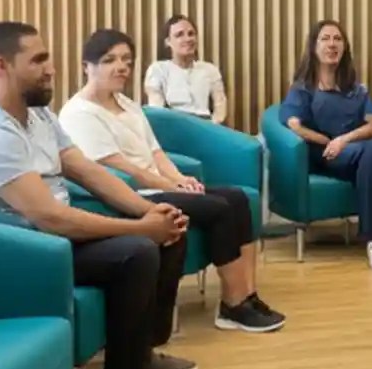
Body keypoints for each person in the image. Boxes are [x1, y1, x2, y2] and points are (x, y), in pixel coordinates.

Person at [0, 22, 193, 369]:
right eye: (38, 60)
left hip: (49, 236)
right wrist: (141, 228)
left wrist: (152, 211)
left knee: (171, 231)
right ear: (2, 65)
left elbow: (88, 172)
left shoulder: (37, 115)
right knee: (139, 250)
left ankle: (142, 354)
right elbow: (51, 218)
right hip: (23, 251)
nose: (51, 68)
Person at [59, 29, 286, 333]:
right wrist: (170, 187)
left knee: (237, 197)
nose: (121, 66)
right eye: (110, 60)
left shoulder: (126, 103)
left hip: (157, 185)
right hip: (130, 195)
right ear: (88, 66)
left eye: (126, 59)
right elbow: (122, 167)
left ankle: (247, 295)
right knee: (219, 208)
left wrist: (180, 179)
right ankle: (233, 305)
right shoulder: (79, 112)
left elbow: (154, 151)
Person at [280, 20, 372, 272]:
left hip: (357, 150)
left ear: (345, 47)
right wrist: (326, 141)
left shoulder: (356, 89)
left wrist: (343, 139)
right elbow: (294, 125)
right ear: (314, 47)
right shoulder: (303, 88)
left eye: (337, 39)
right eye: (325, 39)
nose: (332, 44)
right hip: (325, 155)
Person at [144, 15, 227, 124]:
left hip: (206, 126)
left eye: (191, 34)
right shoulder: (158, 69)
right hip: (173, 125)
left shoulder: (210, 70)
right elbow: (156, 109)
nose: (187, 39)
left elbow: (220, 106)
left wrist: (211, 127)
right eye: (179, 35)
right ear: (168, 42)